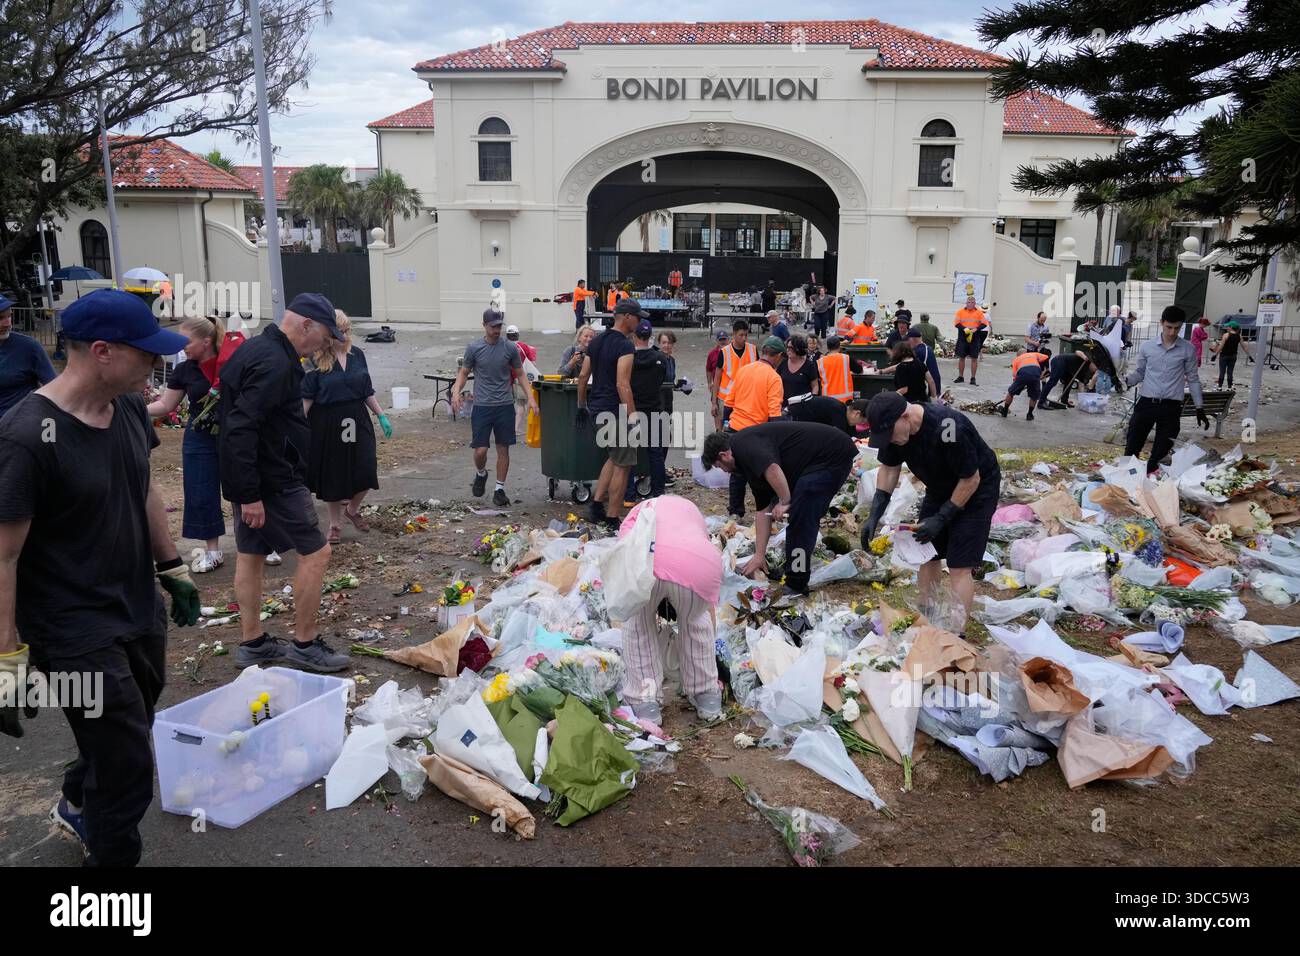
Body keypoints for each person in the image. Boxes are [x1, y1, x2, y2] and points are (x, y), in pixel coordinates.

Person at [0, 288, 200, 866]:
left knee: (132, 717)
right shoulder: (24, 437)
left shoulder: (131, 407)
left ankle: (76, 797)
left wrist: (173, 567)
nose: (157, 366)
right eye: (149, 355)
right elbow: (4, 556)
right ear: (104, 352)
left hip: (135, 605)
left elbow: (141, 486)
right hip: (69, 628)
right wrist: (7, 658)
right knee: (127, 761)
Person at [220, 292, 349, 673]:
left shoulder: (256, 349)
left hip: (255, 478)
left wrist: (245, 491)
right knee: (316, 552)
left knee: (252, 554)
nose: (324, 346)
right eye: (325, 337)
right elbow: (241, 427)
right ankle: (305, 645)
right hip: (272, 479)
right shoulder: (276, 362)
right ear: (306, 325)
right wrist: (250, 495)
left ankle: (253, 642)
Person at [861, 392, 1001, 630]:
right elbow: (889, 468)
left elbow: (970, 479)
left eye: (890, 434)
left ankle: (957, 632)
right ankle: (928, 615)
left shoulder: (947, 427)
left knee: (959, 565)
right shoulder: (897, 435)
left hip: (977, 489)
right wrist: (875, 512)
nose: (890, 440)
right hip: (939, 488)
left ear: (905, 416)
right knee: (926, 553)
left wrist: (943, 517)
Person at [704, 421, 858, 594]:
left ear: (724, 455)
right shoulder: (744, 462)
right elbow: (763, 511)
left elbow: (773, 468)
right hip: (813, 463)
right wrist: (759, 555)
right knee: (799, 517)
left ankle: (796, 583)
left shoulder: (744, 445)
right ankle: (796, 577)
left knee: (801, 519)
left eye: (719, 466)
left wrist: (785, 502)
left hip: (831, 456)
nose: (724, 472)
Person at [617, 495, 723, 724]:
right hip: (698, 565)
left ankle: (646, 705)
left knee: (638, 625)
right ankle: (708, 698)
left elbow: (625, 551)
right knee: (695, 621)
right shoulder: (691, 511)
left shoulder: (637, 513)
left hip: (648, 566)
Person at [145, 316, 238, 572]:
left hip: (233, 433)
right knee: (201, 490)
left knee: (245, 487)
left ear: (206, 341)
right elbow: (166, 405)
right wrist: (136, 409)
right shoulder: (184, 369)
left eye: (187, 342)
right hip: (199, 435)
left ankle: (263, 543)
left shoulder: (231, 362)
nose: (182, 347)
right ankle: (213, 550)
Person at [302, 311, 390, 545]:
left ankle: (352, 509)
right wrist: (298, 426)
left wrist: (381, 415)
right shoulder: (315, 360)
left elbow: (366, 391)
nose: (345, 335)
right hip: (328, 422)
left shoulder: (357, 355)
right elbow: (306, 399)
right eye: (339, 331)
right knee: (335, 475)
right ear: (328, 333)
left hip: (356, 418)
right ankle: (335, 525)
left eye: (347, 330)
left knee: (365, 468)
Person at [452, 309, 536, 507]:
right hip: (482, 406)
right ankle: (481, 473)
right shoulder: (474, 348)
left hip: (505, 405)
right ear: (484, 325)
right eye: (493, 326)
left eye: (499, 326)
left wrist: (531, 397)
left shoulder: (509, 348)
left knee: (503, 448)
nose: (497, 330)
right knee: (480, 450)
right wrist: (456, 392)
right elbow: (464, 372)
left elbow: (521, 374)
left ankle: (499, 489)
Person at [578, 297, 645, 527]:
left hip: (597, 409)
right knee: (623, 465)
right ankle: (612, 517)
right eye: (637, 318)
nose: (638, 322)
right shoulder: (625, 345)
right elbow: (622, 384)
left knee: (614, 457)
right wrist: (633, 415)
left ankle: (597, 505)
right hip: (616, 411)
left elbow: (583, 377)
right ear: (627, 317)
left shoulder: (595, 342)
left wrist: (581, 405)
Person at [1124, 305, 1211, 474]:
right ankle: (1124, 482)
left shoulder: (1188, 349)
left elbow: (1193, 379)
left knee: (1161, 453)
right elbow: (1140, 373)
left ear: (1182, 326)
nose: (1172, 332)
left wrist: (1199, 407)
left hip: (1171, 407)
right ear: (1161, 323)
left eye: (1176, 328)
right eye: (1168, 327)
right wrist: (1125, 381)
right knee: (1132, 446)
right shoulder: (1147, 346)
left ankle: (1150, 485)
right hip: (1146, 403)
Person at [0, 294, 56, 421]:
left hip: (20, 424)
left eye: (10, 316)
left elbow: (55, 387)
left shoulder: (29, 347)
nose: (8, 323)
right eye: (0, 318)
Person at [630, 319, 668, 497]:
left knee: (629, 453)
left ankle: (628, 493)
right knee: (655, 452)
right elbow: (661, 380)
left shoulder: (628, 358)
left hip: (633, 409)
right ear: (650, 336)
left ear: (634, 335)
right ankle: (658, 491)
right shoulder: (660, 358)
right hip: (653, 409)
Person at [726, 336, 784, 431]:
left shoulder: (744, 369)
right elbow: (774, 413)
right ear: (779, 355)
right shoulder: (774, 377)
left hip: (733, 427)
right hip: (754, 432)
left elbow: (729, 402)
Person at [714, 319, 757, 429]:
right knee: (724, 429)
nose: (744, 338)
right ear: (734, 334)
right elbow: (717, 378)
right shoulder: (724, 352)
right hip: (726, 399)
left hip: (746, 398)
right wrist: (714, 402)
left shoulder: (753, 350)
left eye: (746, 335)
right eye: (741, 335)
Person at [998, 347, 1050, 421]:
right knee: (1034, 396)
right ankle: (1030, 414)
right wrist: (1047, 369)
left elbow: (1015, 375)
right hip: (1036, 371)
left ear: (1018, 355)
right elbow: (1046, 357)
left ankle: (1005, 411)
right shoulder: (1034, 354)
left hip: (1023, 372)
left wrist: (1017, 386)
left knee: (1011, 392)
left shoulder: (1016, 360)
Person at [506, 324, 537, 434]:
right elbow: (532, 363)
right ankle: (515, 428)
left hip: (506, 381)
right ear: (517, 334)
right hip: (521, 380)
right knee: (521, 405)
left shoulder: (504, 347)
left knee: (510, 403)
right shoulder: (523, 347)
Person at [953, 295, 989, 385]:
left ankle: (973, 378)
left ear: (975, 304)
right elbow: (956, 324)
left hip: (975, 337)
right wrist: (964, 328)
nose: (970, 304)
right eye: (968, 302)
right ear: (966, 303)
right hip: (963, 336)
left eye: (972, 302)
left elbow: (984, 324)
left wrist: (976, 328)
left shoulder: (979, 313)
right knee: (961, 357)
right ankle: (960, 376)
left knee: (974, 358)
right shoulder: (960, 312)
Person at [778, 333, 820, 402]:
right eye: (787, 347)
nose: (788, 350)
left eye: (791, 348)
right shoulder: (783, 363)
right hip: (784, 405)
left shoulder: (809, 365)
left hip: (803, 406)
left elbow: (815, 386)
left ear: (798, 349)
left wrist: (812, 400)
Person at [818, 335, 854, 403]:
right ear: (839, 347)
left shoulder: (820, 362)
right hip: (845, 400)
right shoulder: (846, 358)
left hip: (827, 400)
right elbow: (859, 370)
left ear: (828, 348)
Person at [907, 326, 942, 396]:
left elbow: (904, 365)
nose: (907, 342)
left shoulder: (919, 351)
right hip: (934, 383)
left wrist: (883, 371)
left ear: (913, 339)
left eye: (908, 339)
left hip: (932, 386)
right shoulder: (927, 348)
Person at [706, 329, 729, 430]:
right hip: (717, 386)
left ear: (728, 340)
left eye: (724, 339)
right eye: (721, 339)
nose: (723, 341)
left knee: (727, 411)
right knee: (716, 410)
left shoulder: (731, 352)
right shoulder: (712, 354)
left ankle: (726, 430)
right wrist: (709, 383)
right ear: (717, 341)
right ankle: (718, 431)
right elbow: (708, 369)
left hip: (729, 387)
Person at [1210, 319, 1241, 389]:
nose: (1226, 328)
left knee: (1222, 371)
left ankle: (1220, 387)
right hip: (1233, 356)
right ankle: (1229, 387)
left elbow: (1221, 346)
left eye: (1228, 326)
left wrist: (1215, 355)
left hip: (1224, 356)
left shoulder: (1226, 335)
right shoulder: (1239, 336)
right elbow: (1244, 346)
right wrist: (1250, 356)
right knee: (1230, 372)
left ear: (1231, 327)